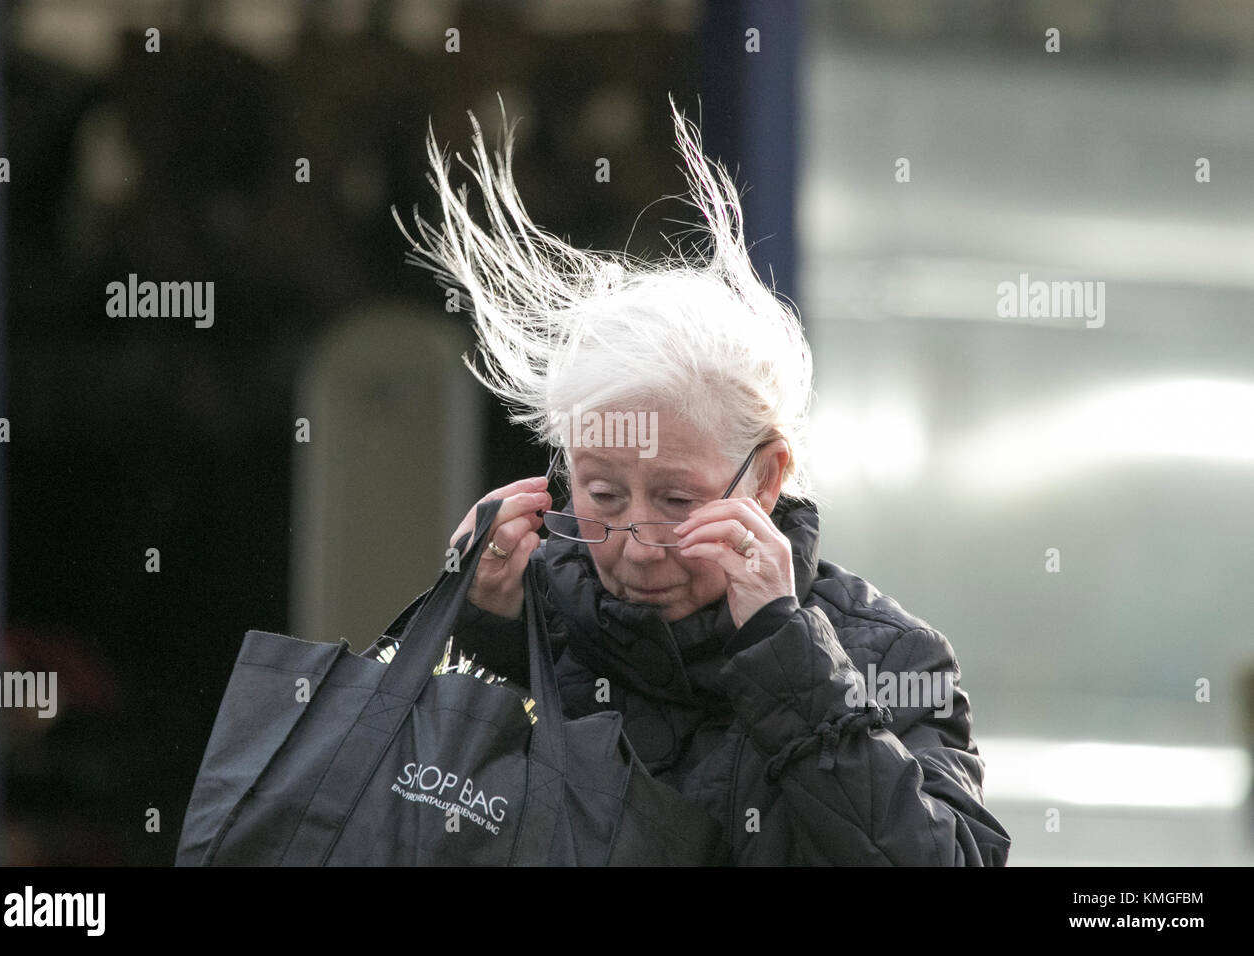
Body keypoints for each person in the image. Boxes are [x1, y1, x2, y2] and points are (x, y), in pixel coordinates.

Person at [391, 95, 1011, 865]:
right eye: (603, 495)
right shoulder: (535, 618)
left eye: (678, 500)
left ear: (766, 477)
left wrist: (791, 667)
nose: (640, 544)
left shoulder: (889, 661)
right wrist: (479, 622)